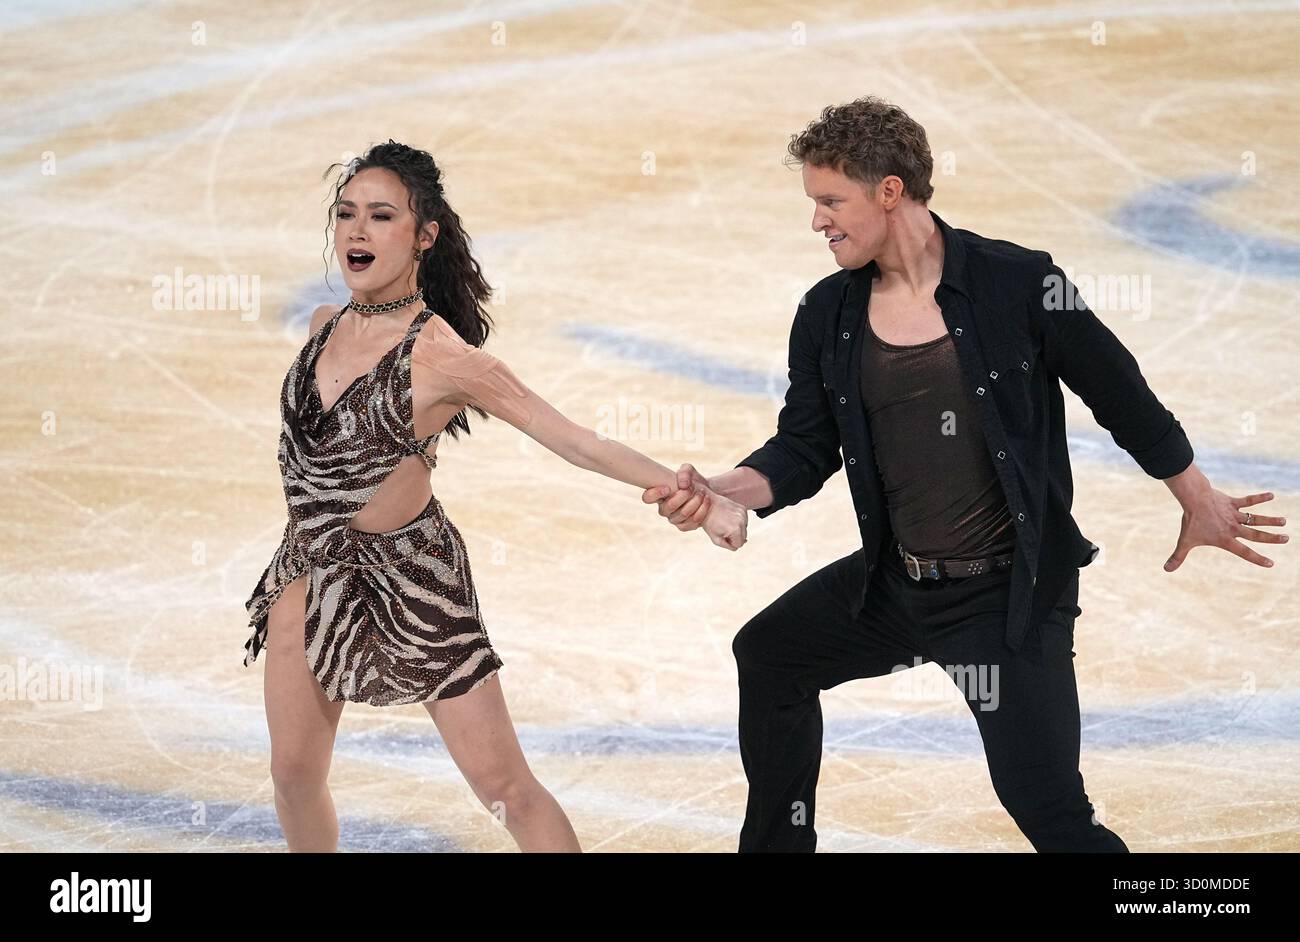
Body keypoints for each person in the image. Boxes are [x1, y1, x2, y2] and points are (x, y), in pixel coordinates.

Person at [643, 97, 1289, 852]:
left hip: (1006, 598)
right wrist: (726, 489)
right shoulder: (828, 313)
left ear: (890, 190)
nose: (817, 222)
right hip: (895, 582)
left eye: (829, 201)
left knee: (1049, 812)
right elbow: (803, 450)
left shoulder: (1017, 283)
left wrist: (1197, 496)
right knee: (771, 654)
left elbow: (1121, 394)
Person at [242, 140, 747, 852]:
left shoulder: (443, 355)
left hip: (414, 580)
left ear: (424, 237)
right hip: (311, 571)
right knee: (292, 775)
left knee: (505, 791)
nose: (357, 230)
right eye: (346, 213)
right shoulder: (323, 326)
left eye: (381, 216)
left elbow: (575, 440)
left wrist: (696, 497)